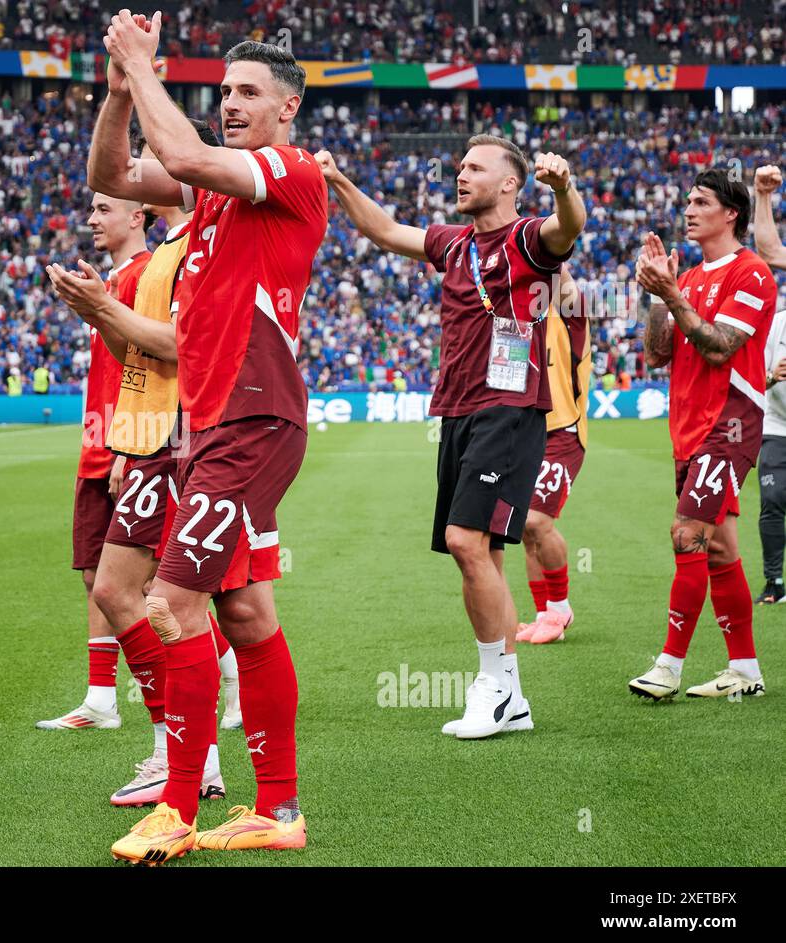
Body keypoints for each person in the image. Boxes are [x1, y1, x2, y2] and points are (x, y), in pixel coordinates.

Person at [90, 19, 326, 862]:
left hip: (254, 422)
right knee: (248, 613)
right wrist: (120, 95)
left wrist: (146, 65)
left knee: (170, 606)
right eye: (223, 91)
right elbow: (113, 175)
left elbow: (185, 159)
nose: (230, 103)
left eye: (248, 92)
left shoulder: (288, 171)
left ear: (288, 108)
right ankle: (279, 811)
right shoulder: (218, 194)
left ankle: (178, 809)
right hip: (217, 424)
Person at [318, 133, 585, 740]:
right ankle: (510, 696)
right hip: (460, 409)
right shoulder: (454, 243)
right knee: (482, 554)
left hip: (509, 409)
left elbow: (568, 229)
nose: (460, 176)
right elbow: (386, 232)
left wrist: (565, 188)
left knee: (465, 540)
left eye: (474, 168)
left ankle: (493, 685)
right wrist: (338, 181)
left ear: (511, 183)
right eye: (459, 166)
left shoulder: (528, 236)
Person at [48, 121, 242, 811]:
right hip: (153, 439)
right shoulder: (169, 244)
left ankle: (189, 753)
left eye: (159, 155)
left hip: (191, 439)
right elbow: (141, 352)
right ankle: (183, 748)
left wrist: (102, 307)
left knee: (179, 603)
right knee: (116, 591)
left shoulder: (205, 240)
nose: (147, 164)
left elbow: (184, 348)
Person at [629, 169, 774, 700]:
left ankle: (667, 667)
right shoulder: (687, 278)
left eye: (701, 201)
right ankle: (746, 672)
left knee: (686, 534)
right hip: (689, 425)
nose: (688, 209)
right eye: (687, 200)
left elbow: (718, 347)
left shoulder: (752, 273)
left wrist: (671, 291)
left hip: (729, 421)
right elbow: (657, 353)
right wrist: (658, 294)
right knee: (717, 550)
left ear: (730, 213)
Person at [34, 190, 151, 731]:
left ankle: (228, 679)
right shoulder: (108, 282)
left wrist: (129, 444)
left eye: (104, 209)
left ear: (138, 214)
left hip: (131, 445)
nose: (91, 219)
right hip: (98, 444)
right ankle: (101, 699)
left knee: (145, 588)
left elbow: (147, 364)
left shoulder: (149, 274)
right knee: (93, 576)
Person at [517, 264, 592, 644]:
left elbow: (567, 290)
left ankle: (560, 607)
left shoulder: (568, 316)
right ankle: (543, 613)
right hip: (524, 435)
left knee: (536, 523)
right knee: (525, 532)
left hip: (563, 431)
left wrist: (552, 256)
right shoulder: (514, 316)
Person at [750, 164, 786, 604]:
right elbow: (770, 248)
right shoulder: (777, 324)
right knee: (773, 502)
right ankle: (774, 581)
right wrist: (761, 194)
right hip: (776, 423)